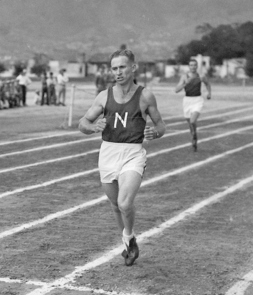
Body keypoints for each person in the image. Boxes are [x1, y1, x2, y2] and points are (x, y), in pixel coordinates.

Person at [78, 49, 166, 266]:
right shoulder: (103, 96)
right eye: (114, 68)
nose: (118, 72)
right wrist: (92, 127)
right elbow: (82, 123)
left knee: (125, 203)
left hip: (133, 154)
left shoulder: (145, 96)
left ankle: (128, 237)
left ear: (133, 67)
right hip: (108, 152)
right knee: (115, 205)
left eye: (122, 67)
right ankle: (129, 239)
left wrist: (154, 133)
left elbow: (161, 125)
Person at [174, 58, 211, 151]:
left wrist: (209, 93)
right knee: (190, 123)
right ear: (189, 66)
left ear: (197, 66)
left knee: (192, 121)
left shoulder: (201, 76)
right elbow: (176, 90)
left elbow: (207, 84)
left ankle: (194, 136)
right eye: (191, 65)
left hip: (197, 100)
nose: (193, 67)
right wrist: (185, 84)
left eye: (194, 65)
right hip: (187, 101)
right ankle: (194, 136)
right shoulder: (184, 76)